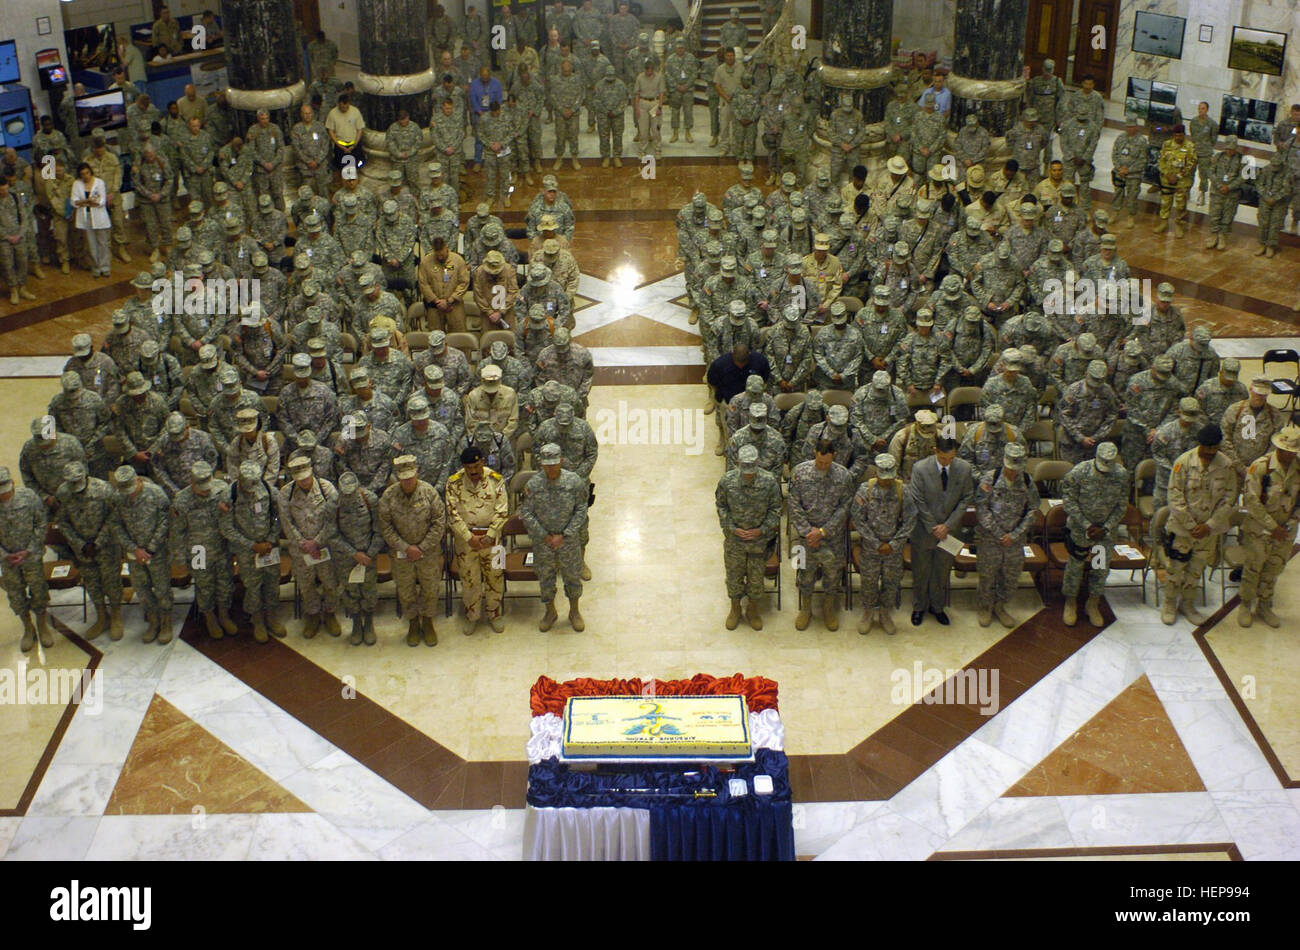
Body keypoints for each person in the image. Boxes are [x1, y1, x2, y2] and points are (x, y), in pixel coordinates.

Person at [1162, 424, 1235, 625]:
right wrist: (1191, 525)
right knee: (1175, 568)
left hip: (1208, 532)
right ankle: (1169, 603)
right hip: (1183, 529)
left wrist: (1209, 525)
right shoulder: (1183, 462)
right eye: (1207, 449)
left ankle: (1187, 604)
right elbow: (1174, 495)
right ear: (1200, 444)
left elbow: (1229, 499)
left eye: (1215, 449)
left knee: (1196, 569)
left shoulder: (1226, 465)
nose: (1211, 453)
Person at [1060, 441, 1128, 627]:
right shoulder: (1079, 472)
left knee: (1100, 566)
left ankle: (1092, 603)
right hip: (1081, 530)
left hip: (1104, 533)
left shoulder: (1121, 475)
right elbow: (1068, 501)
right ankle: (1071, 601)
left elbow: (1122, 505)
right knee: (1075, 566)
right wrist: (1087, 524)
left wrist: (1106, 527)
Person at [379, 454, 445, 646]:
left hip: (429, 552)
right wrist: (406, 548)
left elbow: (439, 523)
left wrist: (421, 547)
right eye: (403, 477)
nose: (407, 481)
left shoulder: (429, 492)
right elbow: (386, 527)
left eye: (410, 476)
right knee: (405, 589)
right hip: (401, 554)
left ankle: (428, 621)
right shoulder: (389, 496)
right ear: (397, 476)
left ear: (417, 473)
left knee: (430, 588)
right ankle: (413, 623)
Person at [521, 442, 587, 631]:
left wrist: (565, 534)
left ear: (561, 461)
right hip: (543, 542)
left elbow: (581, 509)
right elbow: (526, 512)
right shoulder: (533, 485)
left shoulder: (574, 481)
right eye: (547, 464)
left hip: (568, 540)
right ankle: (550, 612)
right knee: (546, 577)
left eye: (554, 463)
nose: (551, 468)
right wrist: (543, 535)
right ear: (541, 464)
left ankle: (574, 611)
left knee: (572, 576)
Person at [908, 436, 974, 626]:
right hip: (924, 531)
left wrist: (948, 525)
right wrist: (933, 526)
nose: (948, 462)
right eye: (944, 458)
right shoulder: (920, 468)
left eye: (951, 458)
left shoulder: (964, 468)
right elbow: (917, 500)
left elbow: (966, 498)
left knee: (942, 571)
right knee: (921, 571)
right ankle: (919, 606)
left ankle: (937, 607)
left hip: (950, 532)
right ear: (936, 451)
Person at [788, 438, 854, 630]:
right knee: (805, 574)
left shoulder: (843, 476)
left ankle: (828, 608)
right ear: (814, 453)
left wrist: (824, 531)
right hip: (806, 536)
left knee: (832, 575)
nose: (823, 465)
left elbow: (845, 507)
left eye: (827, 462)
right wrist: (809, 532)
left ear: (834, 457)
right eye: (820, 462)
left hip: (832, 536)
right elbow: (793, 504)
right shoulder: (800, 473)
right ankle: (806, 609)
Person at [1238, 426, 1300, 628]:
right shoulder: (1261, 467)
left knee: (1274, 569)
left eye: (1294, 451)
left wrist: (1289, 526)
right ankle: (1246, 605)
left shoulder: (1298, 469)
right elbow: (1251, 501)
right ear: (1279, 448)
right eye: (1288, 451)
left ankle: (1264, 605)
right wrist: (1273, 526)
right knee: (1253, 568)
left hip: (1285, 533)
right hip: (1259, 530)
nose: (1291, 454)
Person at [974, 443, 1038, 628]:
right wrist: (998, 533)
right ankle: (985, 607)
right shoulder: (990, 479)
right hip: (990, 539)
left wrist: (1015, 534)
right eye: (1010, 469)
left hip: (1015, 541)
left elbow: (1033, 509)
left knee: (1010, 576)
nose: (1013, 473)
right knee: (988, 575)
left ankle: (1000, 606)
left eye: (1016, 469)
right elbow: (981, 508)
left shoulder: (1026, 481)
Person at [446, 445, 509, 634]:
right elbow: (452, 515)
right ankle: (472, 615)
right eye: (468, 468)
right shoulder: (453, 483)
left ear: (482, 462)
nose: (473, 471)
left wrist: (490, 535)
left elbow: (503, 510)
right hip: (466, 542)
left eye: (476, 466)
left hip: (494, 541)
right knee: (469, 579)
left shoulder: (496, 480)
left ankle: (494, 614)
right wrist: (468, 537)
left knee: (496, 577)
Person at [852, 453, 916, 636]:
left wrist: (895, 543)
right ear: (877, 474)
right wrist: (874, 542)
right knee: (869, 581)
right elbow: (857, 518)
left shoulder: (903, 491)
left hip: (893, 548)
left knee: (891, 581)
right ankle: (868, 613)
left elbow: (910, 519)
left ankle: (885, 613)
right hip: (871, 547)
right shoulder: (866, 490)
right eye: (883, 478)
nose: (886, 482)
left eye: (890, 478)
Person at [110, 465, 173, 644]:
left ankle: (166, 622)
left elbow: (165, 521)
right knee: (141, 589)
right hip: (134, 554)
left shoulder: (156, 493)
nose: (129, 494)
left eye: (132, 489)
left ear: (138, 480)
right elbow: (116, 525)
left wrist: (151, 548)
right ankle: (153, 621)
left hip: (156, 551)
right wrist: (133, 549)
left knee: (162, 589)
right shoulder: (118, 498)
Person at [0, 465, 51, 651]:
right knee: (16, 595)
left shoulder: (28, 497)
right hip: (7, 561)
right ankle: (28, 628)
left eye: (6, 492)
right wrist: (5, 555)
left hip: (31, 557)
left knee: (38, 591)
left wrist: (28, 550)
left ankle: (42, 625)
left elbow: (41, 523)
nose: (4, 496)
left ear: (13, 484)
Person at [71, 162, 112, 278]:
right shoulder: (76, 184)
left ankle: (105, 267)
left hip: (99, 216)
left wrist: (84, 201)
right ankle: (96, 267)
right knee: (91, 244)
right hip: (85, 217)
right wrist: (87, 201)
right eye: (82, 174)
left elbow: (101, 201)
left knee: (103, 243)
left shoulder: (99, 182)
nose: (85, 176)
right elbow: (74, 201)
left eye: (87, 173)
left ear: (91, 172)